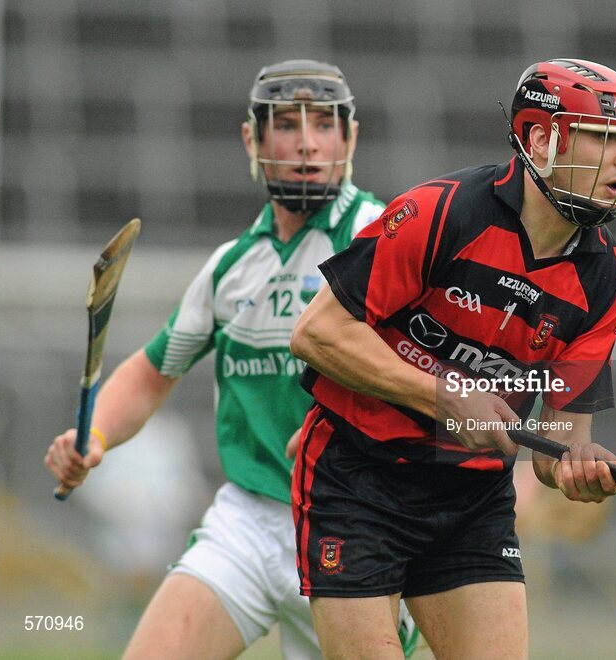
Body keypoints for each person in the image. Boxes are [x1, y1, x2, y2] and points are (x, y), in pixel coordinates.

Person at [45, 59, 418, 659]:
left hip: (358, 523)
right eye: (286, 126)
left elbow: (438, 375)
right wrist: (94, 436)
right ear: (253, 140)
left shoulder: (388, 238)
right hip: (247, 522)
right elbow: (151, 371)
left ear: (349, 138)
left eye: (324, 124)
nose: (306, 143)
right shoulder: (229, 266)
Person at [290, 58, 616, 658]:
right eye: (606, 138)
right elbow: (316, 333)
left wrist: (578, 467)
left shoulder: (606, 283)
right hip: (357, 482)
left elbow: (557, 442)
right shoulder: (443, 213)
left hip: (470, 504)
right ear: (540, 137)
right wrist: (442, 396)